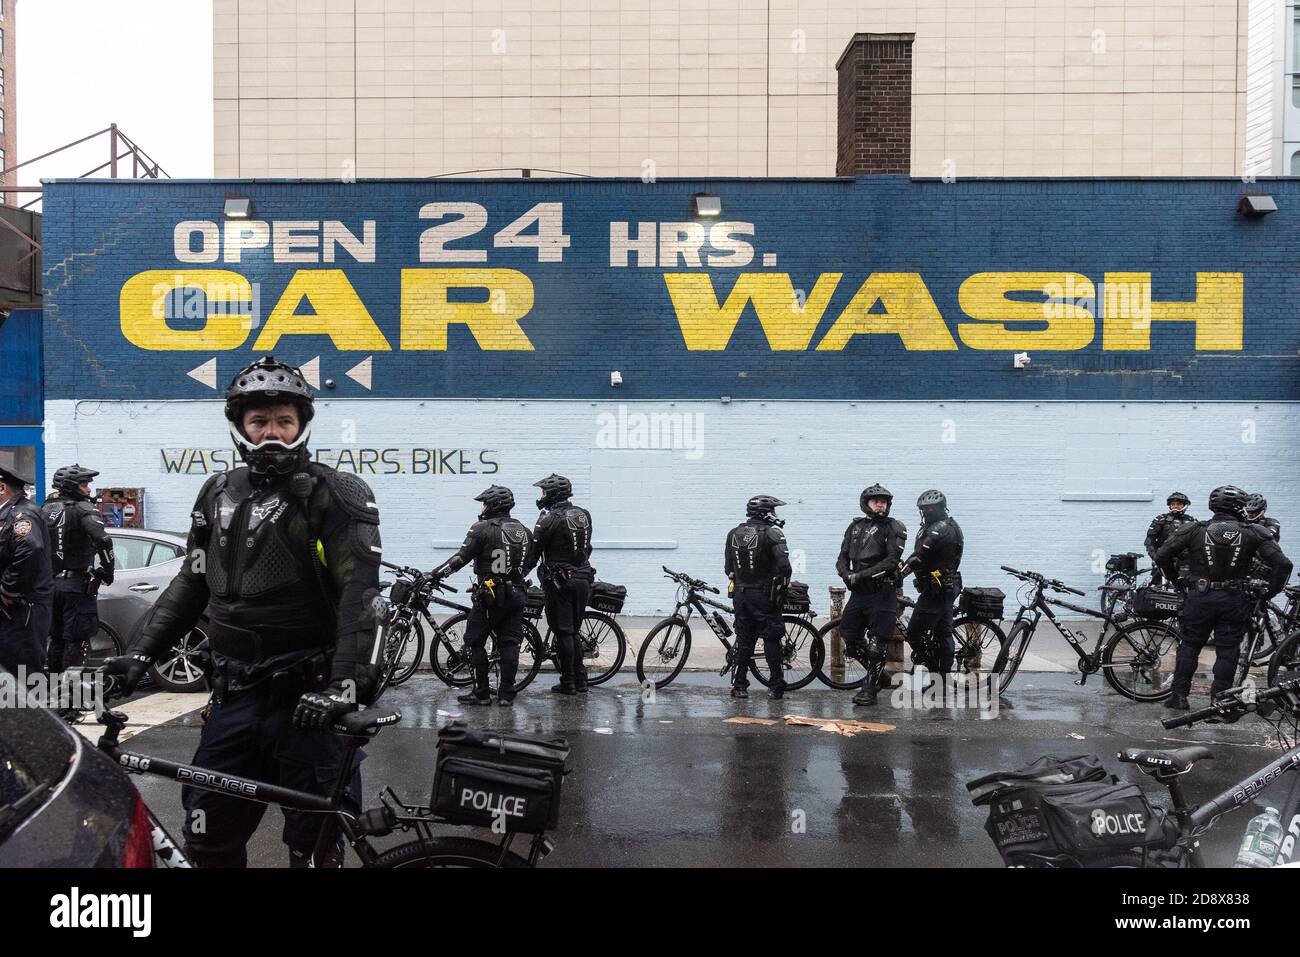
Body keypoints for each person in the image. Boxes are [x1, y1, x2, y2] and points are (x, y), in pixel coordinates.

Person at [106, 356, 384, 868]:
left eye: (284, 421)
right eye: (259, 422)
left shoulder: (333, 493)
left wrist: (344, 687)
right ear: (240, 427)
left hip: (308, 700)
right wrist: (142, 653)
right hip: (234, 697)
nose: (271, 434)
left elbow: (360, 597)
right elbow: (191, 581)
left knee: (315, 844)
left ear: (301, 426)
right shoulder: (215, 493)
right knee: (209, 834)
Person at [1156, 485, 1291, 711]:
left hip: (1199, 597)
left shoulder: (1194, 529)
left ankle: (1178, 697)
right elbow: (1283, 564)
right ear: (1239, 507)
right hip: (1234, 599)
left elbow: (1162, 555)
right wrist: (1269, 593)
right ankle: (1220, 702)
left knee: (1189, 645)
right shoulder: (1254, 531)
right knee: (1227, 651)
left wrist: (1177, 580)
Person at [431, 485, 535, 707]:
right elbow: (528, 563)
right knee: (510, 643)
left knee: (473, 642)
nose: (484, 507)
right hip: (517, 594)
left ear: (495, 505)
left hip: (489, 596)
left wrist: (434, 575)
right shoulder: (525, 531)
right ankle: (507, 695)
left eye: (486, 503)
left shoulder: (481, 528)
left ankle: (481, 693)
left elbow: (461, 558)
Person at [836, 484, 907, 706]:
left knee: (877, 643)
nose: (880, 504)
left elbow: (891, 561)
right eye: (875, 500)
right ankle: (880, 676)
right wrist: (846, 574)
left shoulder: (894, 527)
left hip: (882, 594)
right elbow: (842, 556)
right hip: (858, 594)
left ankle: (869, 689)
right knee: (850, 636)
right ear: (866, 503)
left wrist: (862, 575)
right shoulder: (855, 527)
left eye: (883, 501)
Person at [42, 465, 115, 674]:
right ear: (72, 486)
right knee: (76, 642)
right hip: (76, 587)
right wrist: (108, 571)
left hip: (50, 586)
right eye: (84, 485)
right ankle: (70, 700)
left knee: (56, 640)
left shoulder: (45, 509)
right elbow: (103, 539)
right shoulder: (83, 508)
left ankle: (54, 698)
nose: (89, 490)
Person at [532, 473, 595, 695]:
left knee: (563, 631)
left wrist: (518, 576)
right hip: (583, 578)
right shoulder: (583, 514)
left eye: (544, 492)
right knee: (574, 630)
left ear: (553, 494)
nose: (541, 496)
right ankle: (581, 678)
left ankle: (568, 682)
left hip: (560, 582)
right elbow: (587, 548)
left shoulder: (549, 519)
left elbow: (533, 553)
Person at [724, 494, 793, 700]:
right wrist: (780, 587)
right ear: (766, 513)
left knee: (744, 639)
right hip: (764, 595)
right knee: (771, 638)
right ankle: (775, 686)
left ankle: (740, 686)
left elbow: (728, 567)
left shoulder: (733, 533)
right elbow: (785, 567)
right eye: (773, 511)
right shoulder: (773, 533)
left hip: (740, 595)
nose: (775, 514)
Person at [899, 490, 963, 677]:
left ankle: (936, 671)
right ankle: (942, 678)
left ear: (941, 508)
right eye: (923, 509)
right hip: (941, 587)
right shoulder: (937, 526)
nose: (927, 511)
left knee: (914, 633)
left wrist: (899, 575)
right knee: (943, 632)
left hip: (939, 589)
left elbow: (919, 557)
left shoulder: (940, 529)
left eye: (931, 508)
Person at [0, 464, 52, 676]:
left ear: (2, 487)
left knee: (24, 671)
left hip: (24, 608)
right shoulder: (7, 514)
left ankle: (32, 710)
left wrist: (7, 588)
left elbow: (31, 549)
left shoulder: (23, 514)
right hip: (14, 610)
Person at [1144, 492, 1194, 587]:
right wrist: (1155, 557)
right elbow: (1150, 541)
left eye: (1179, 504)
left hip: (1184, 562)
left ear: (1184, 505)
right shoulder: (1161, 519)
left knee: (1187, 586)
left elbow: (1196, 542)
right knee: (1155, 587)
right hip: (1163, 559)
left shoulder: (1191, 521)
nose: (1175, 506)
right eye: (1173, 504)